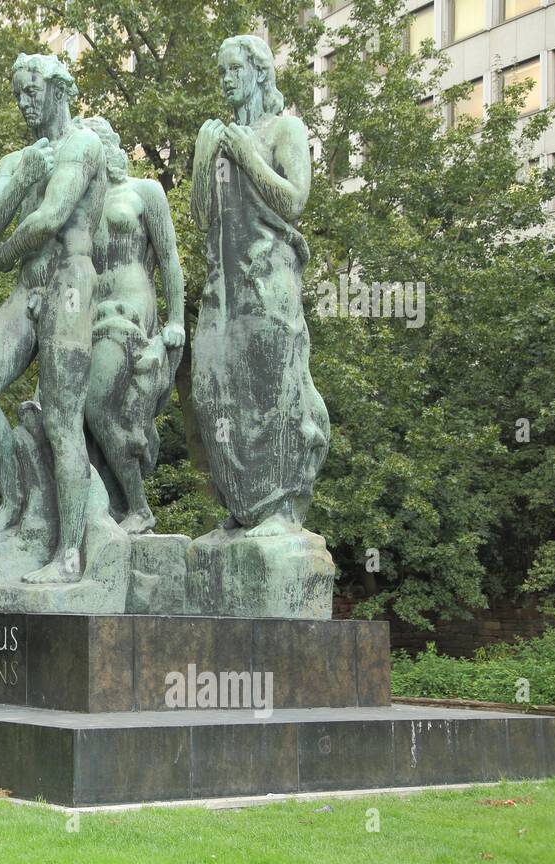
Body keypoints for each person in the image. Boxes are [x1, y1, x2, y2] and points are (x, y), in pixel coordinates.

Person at [0, 53, 106, 583]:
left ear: (58, 89)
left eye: (32, 91)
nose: (24, 102)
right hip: (27, 289)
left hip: (70, 282)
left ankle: (69, 555)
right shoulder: (17, 159)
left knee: (61, 419)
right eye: (17, 93)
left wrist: (3, 256)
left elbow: (48, 220)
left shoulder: (83, 145)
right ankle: (16, 497)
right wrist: (21, 174)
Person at [189, 35, 330, 538]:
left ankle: (282, 509)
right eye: (220, 71)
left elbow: (294, 201)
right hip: (221, 287)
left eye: (233, 69)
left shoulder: (285, 128)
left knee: (273, 390)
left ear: (260, 72)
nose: (225, 79)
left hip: (269, 276)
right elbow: (202, 213)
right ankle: (242, 505)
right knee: (212, 395)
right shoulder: (221, 135)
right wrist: (205, 157)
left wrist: (248, 154)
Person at [79, 116, 185, 535]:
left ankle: (139, 506)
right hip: (86, 315)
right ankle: (104, 507)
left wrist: (176, 319)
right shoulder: (79, 203)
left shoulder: (144, 191)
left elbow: (170, 259)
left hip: (129, 312)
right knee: (72, 415)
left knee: (95, 404)